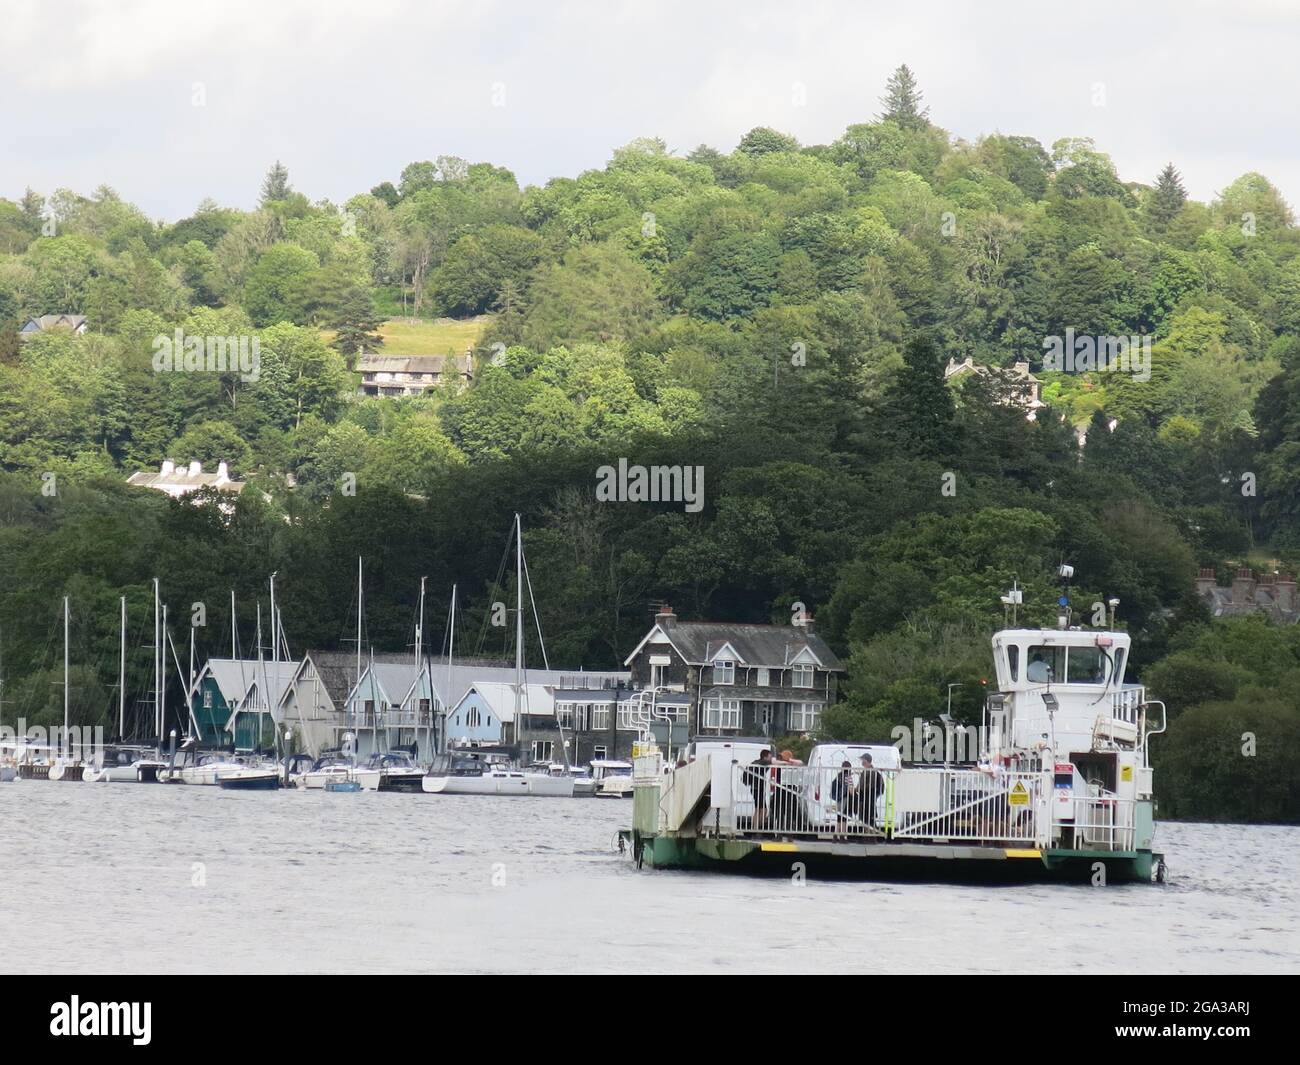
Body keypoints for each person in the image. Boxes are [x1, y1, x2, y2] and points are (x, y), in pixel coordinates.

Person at [743, 748, 774, 827]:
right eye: (769, 757)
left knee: (760, 809)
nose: (770, 759)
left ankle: (756, 828)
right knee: (761, 809)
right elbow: (773, 762)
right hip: (757, 789)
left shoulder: (758, 763)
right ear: (765, 757)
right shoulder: (762, 762)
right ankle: (756, 828)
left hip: (757, 789)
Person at [830, 759, 855, 834]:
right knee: (844, 818)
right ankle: (843, 835)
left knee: (839, 818)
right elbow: (851, 790)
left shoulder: (839, 776)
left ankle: (836, 834)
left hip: (838, 799)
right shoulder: (848, 777)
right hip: (845, 799)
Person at [859, 752, 885, 826]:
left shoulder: (871, 771)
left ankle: (871, 836)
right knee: (867, 819)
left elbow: (869, 785)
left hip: (868, 798)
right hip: (867, 798)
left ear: (866, 760)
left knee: (869, 819)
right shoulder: (867, 770)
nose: (862, 762)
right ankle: (869, 836)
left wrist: (860, 789)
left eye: (862, 760)